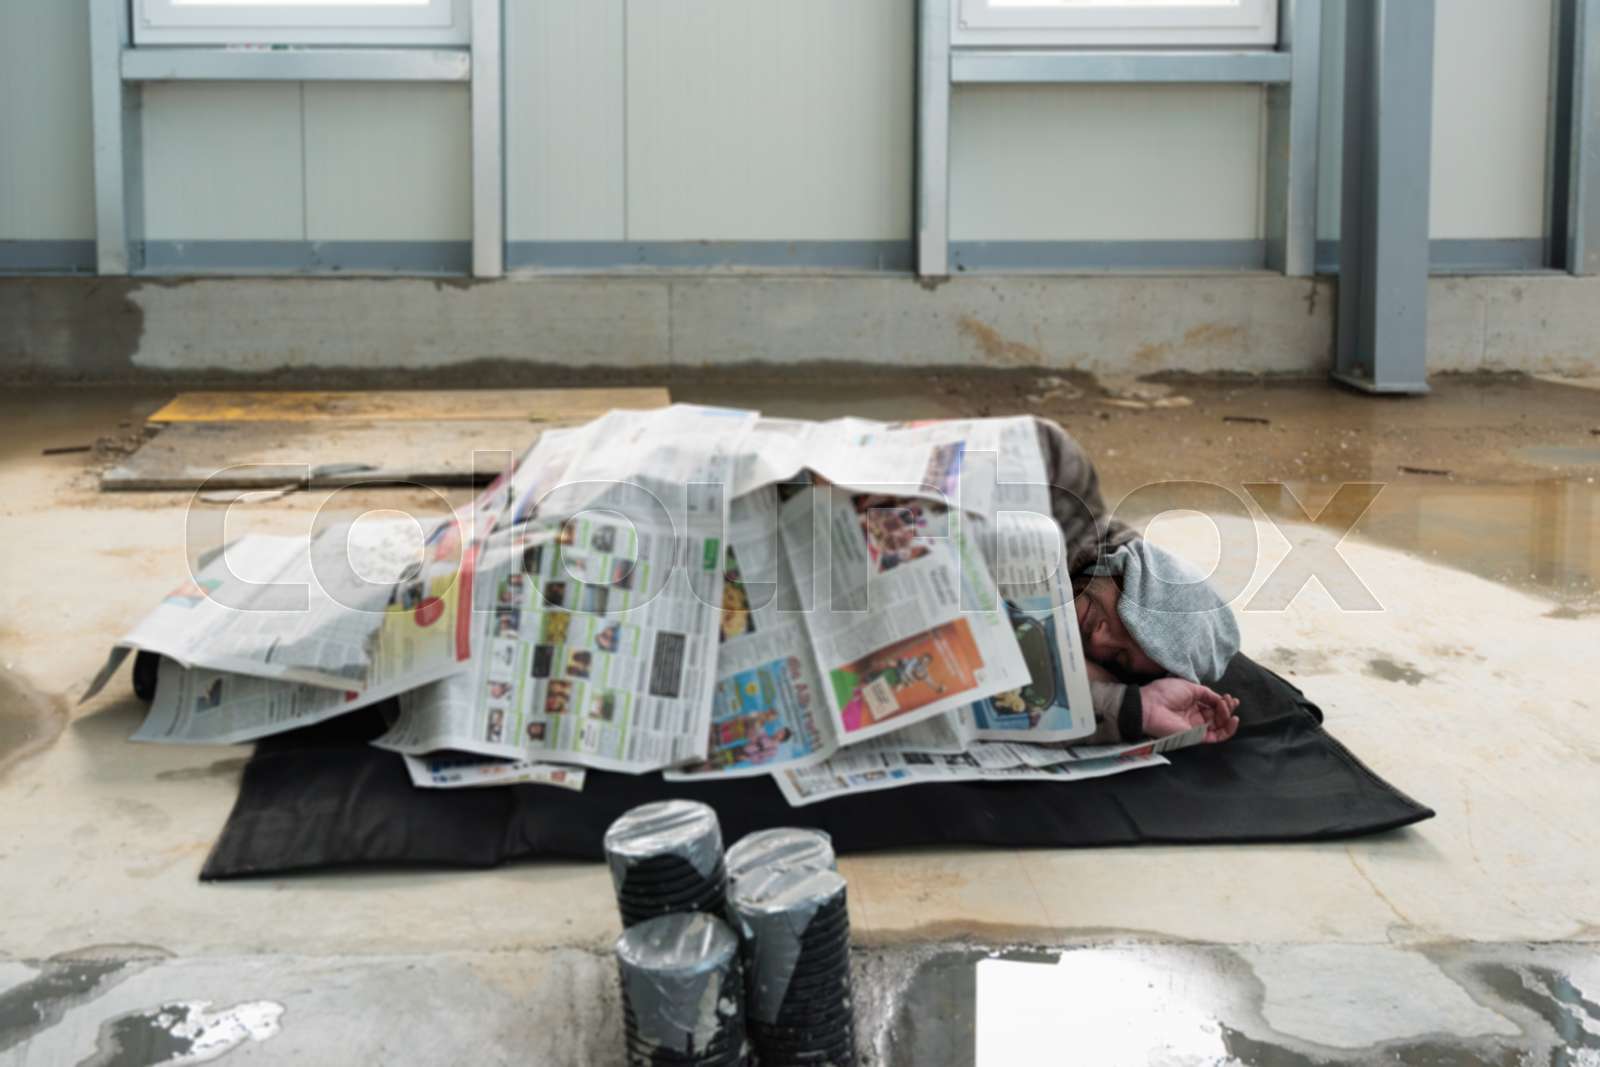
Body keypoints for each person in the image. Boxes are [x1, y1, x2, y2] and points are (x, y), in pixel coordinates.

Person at [1035, 418, 1242, 746]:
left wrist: (1131, 705)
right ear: (1127, 574)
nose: (1099, 642)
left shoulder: (1058, 639)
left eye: (1118, 658)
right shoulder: (1058, 475)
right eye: (1129, 626)